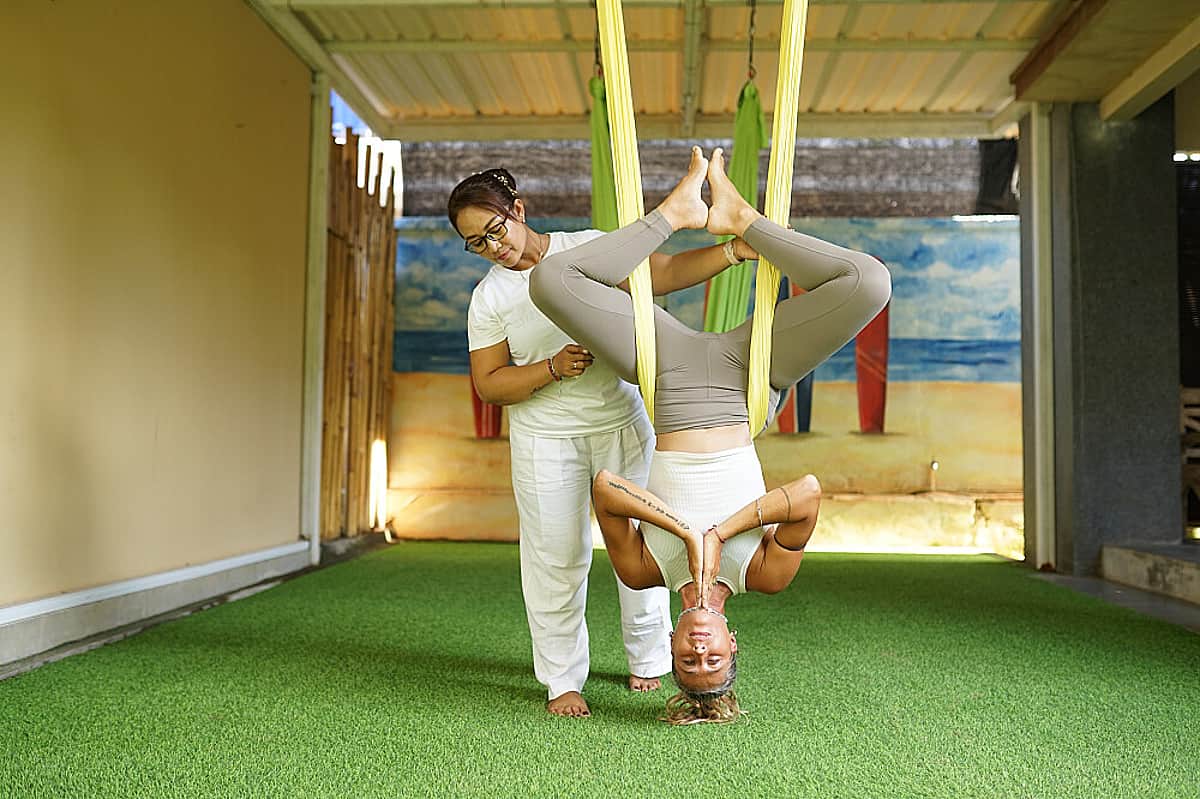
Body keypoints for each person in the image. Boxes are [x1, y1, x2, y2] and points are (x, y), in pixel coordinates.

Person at [528, 146, 892, 723]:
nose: (700, 651)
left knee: (550, 280)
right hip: (751, 374)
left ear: (672, 645)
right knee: (869, 283)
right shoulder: (762, 575)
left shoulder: (645, 571)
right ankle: (743, 221)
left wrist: (685, 535)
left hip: (667, 374)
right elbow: (806, 494)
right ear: (732, 643)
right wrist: (722, 533)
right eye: (713, 659)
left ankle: (672, 214)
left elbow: (606, 489)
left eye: (688, 661)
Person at [450, 168, 753, 717]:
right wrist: (550, 368)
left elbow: (661, 274)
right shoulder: (489, 297)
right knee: (555, 558)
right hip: (545, 440)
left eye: (495, 230)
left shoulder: (585, 247)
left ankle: (649, 658)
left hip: (621, 424)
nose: (493, 247)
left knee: (646, 549)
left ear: (518, 210)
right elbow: (489, 384)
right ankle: (562, 679)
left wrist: (733, 253)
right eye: (476, 243)